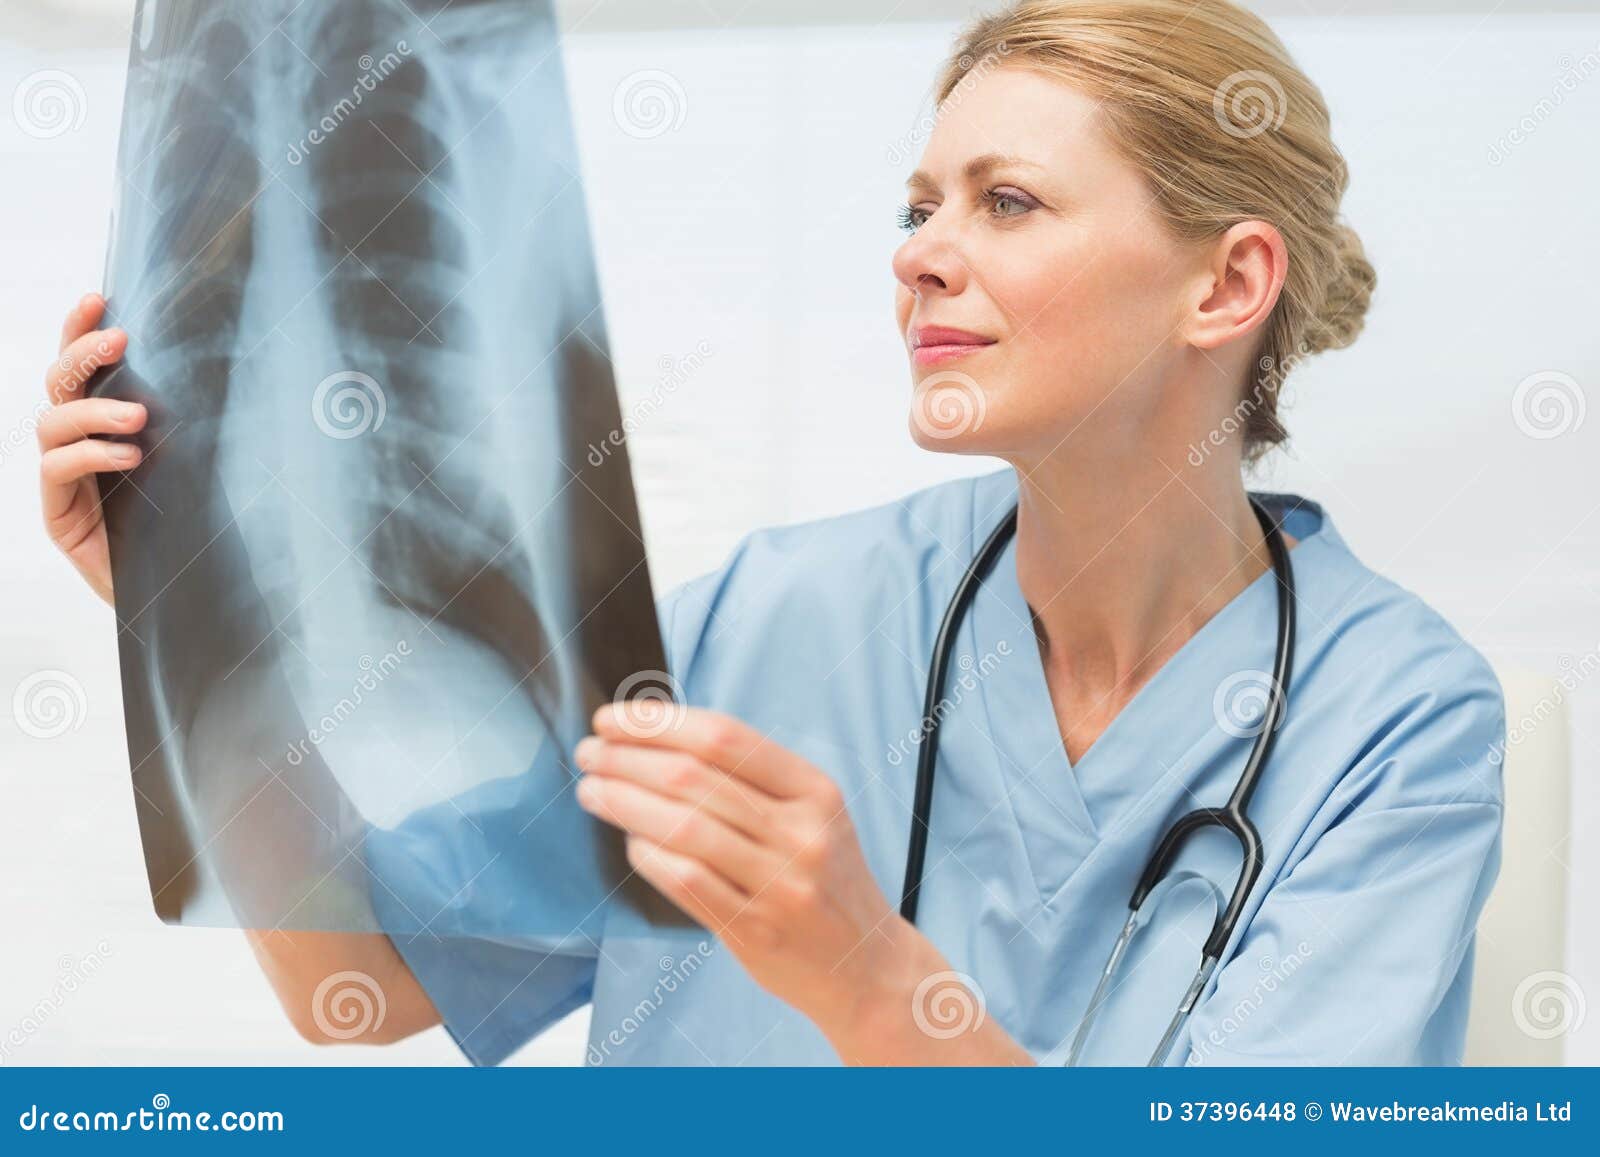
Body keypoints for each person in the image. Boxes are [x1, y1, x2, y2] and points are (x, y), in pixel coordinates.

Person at [40, 0, 1503, 1065]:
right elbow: (351, 978)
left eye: (1006, 204)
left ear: (1228, 282)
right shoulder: (773, 614)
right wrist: (168, 598)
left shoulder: (1397, 727)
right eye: (918, 204)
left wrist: (868, 979)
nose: (920, 253)